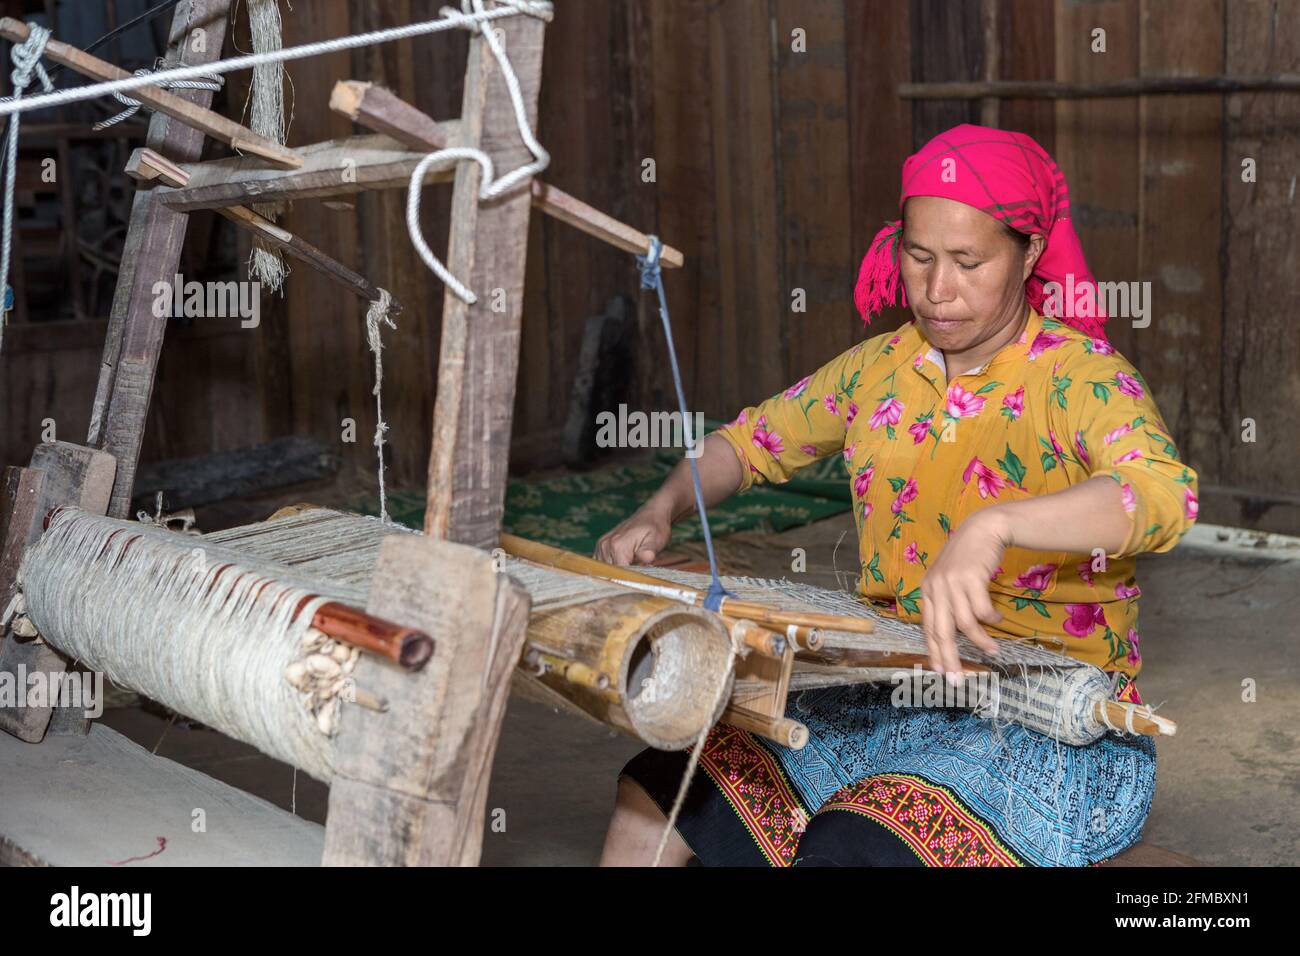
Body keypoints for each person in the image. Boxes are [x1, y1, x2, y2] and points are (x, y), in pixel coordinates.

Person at [596, 124, 1199, 867]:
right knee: (661, 787)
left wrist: (996, 525)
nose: (936, 289)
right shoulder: (878, 371)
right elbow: (747, 443)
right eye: (918, 256)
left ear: (1030, 253)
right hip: (891, 690)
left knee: (853, 847)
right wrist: (660, 509)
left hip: (1049, 722)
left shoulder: (1082, 379)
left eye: (968, 262)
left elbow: (1161, 495)